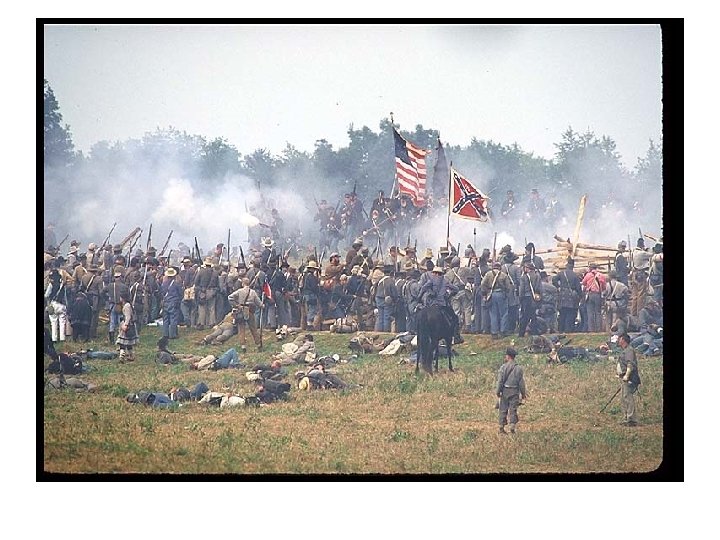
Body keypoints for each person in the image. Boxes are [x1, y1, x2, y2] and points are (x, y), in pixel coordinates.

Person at [495, 347, 527, 434]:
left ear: (508, 356)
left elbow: (500, 381)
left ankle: (501, 427)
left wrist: (498, 391)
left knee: (503, 409)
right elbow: (521, 383)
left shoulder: (503, 367)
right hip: (515, 391)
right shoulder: (519, 368)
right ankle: (512, 427)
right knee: (513, 410)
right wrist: (523, 394)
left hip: (505, 391)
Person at [228, 277, 263, 352]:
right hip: (250, 311)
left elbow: (230, 297)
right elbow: (258, 302)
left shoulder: (239, 291)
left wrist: (236, 305)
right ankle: (258, 344)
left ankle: (243, 346)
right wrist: (262, 305)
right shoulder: (253, 292)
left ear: (242, 283)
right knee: (253, 328)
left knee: (241, 329)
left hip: (241, 311)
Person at [616, 333, 641, 426]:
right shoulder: (625, 350)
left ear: (623, 340)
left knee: (628, 397)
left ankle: (632, 420)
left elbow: (630, 364)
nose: (618, 341)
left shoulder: (629, 350)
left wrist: (627, 375)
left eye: (619, 339)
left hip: (629, 378)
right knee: (624, 398)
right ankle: (627, 418)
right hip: (624, 378)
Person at [45, 269, 68, 343]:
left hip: (53, 304)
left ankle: (54, 339)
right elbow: (65, 296)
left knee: (53, 322)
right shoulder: (63, 284)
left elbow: (46, 295)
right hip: (62, 304)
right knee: (62, 322)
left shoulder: (51, 284)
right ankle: (62, 338)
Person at [160, 266, 183, 339]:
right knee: (173, 318)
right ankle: (173, 334)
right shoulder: (176, 284)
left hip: (165, 302)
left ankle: (165, 334)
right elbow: (180, 293)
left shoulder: (164, 284)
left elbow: (161, 293)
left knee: (165, 319)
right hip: (174, 302)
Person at [116, 292, 139, 362]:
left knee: (122, 342)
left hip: (128, 325)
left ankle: (122, 355)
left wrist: (125, 325)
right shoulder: (127, 305)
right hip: (129, 324)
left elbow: (128, 316)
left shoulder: (127, 306)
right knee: (129, 342)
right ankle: (131, 355)